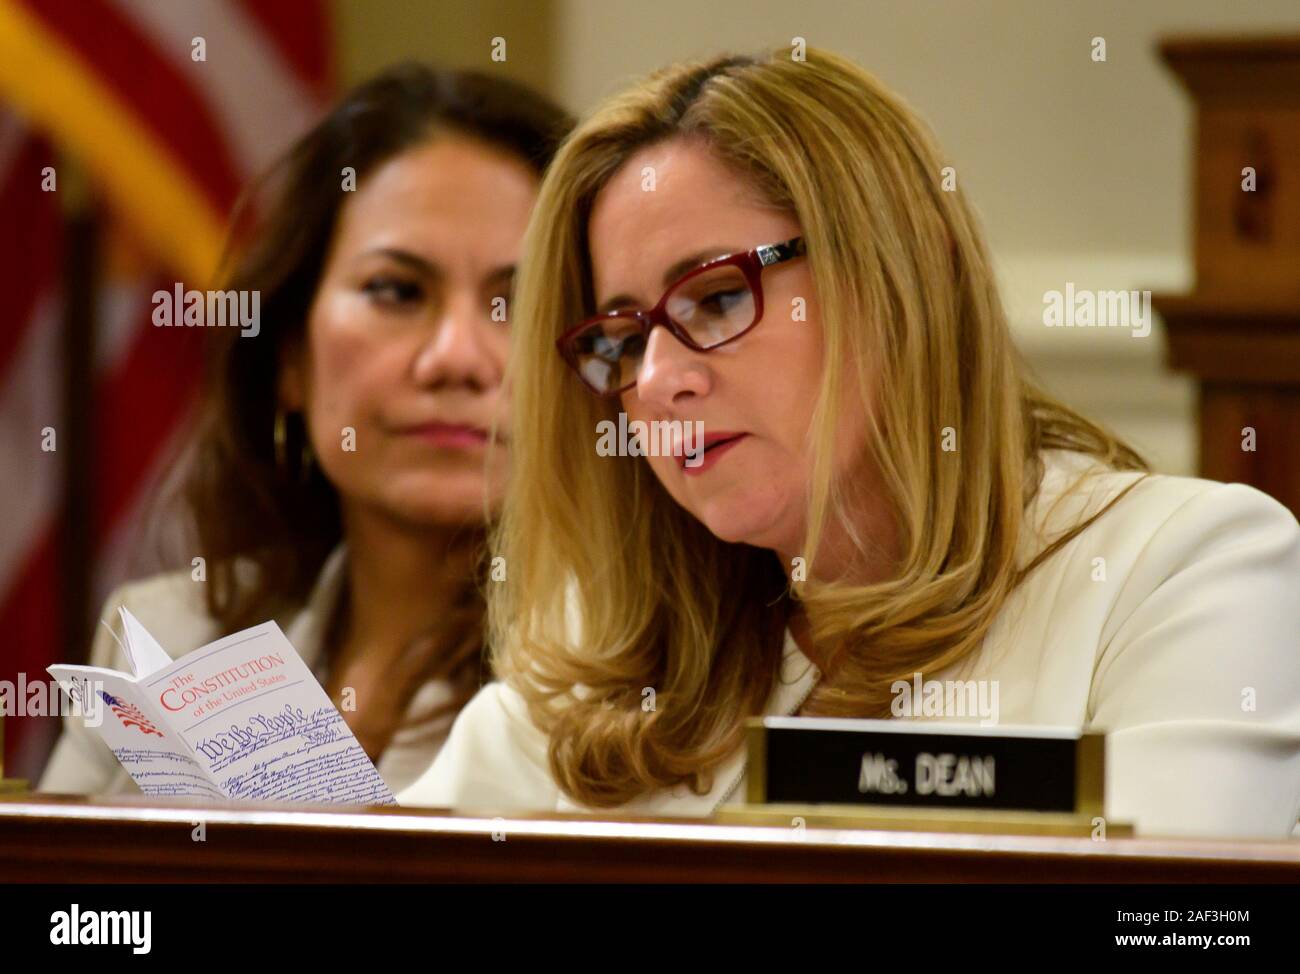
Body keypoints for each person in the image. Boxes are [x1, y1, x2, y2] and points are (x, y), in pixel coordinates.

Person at [398, 48, 1300, 838]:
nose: (659, 378)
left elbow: (1178, 922)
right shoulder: (610, 663)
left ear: (903, 274)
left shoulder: (1187, 568)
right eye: (623, 339)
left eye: (714, 297)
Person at [40, 64, 574, 796]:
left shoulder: (642, 686)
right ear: (289, 355)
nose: (457, 359)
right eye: (397, 290)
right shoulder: (165, 635)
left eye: (517, 301)